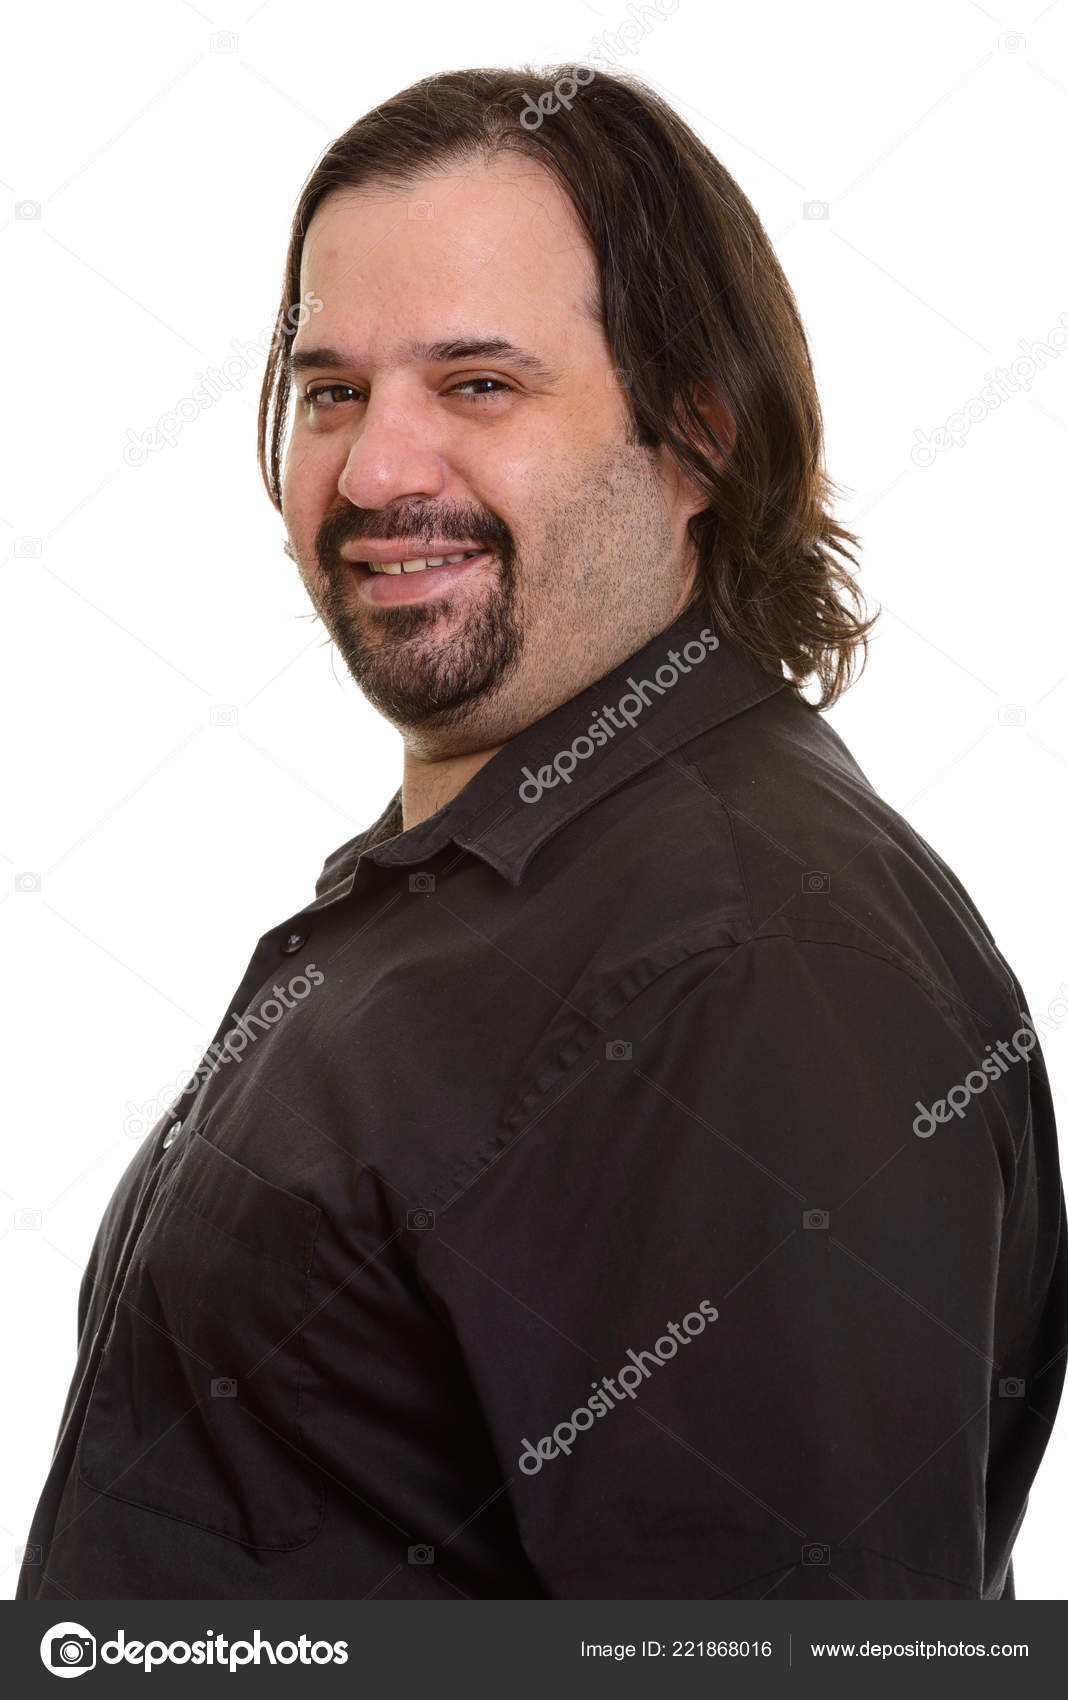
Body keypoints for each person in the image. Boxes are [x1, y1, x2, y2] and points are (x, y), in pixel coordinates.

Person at [18, 65, 1067, 1602]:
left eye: (478, 386)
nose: (377, 471)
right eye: (332, 392)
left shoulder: (739, 963)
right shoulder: (496, 874)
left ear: (698, 436)